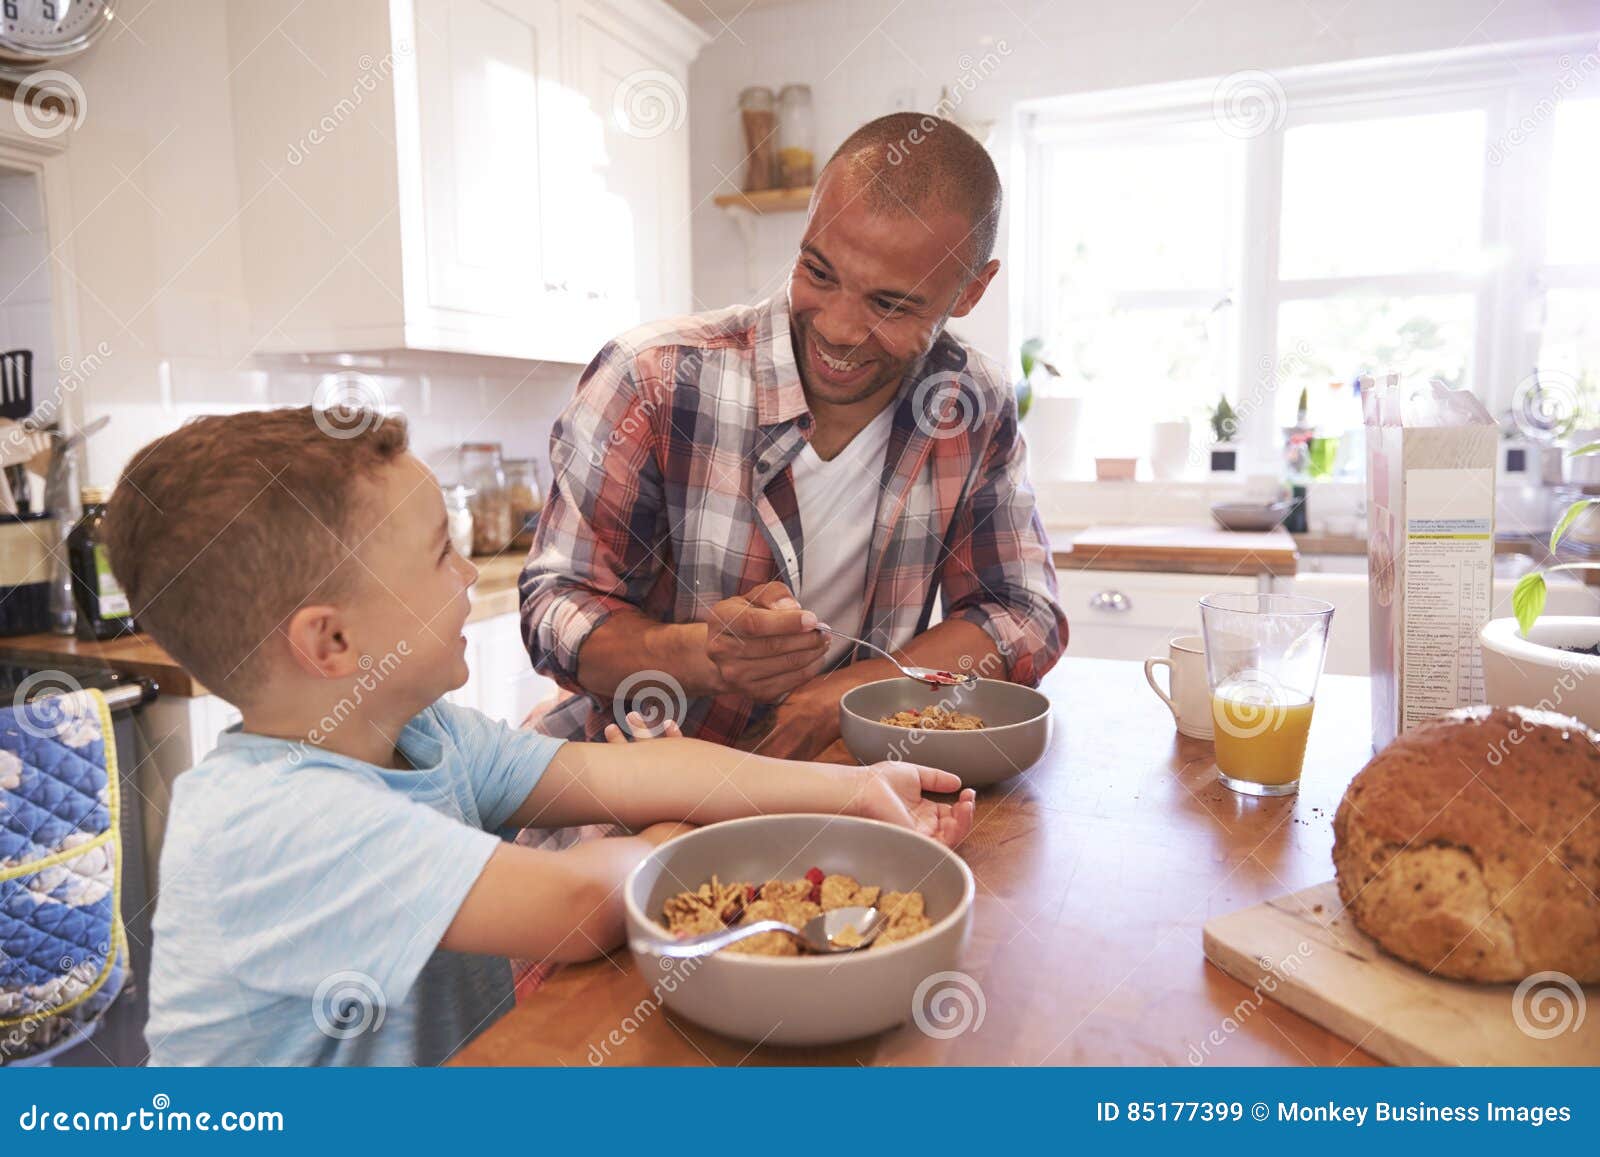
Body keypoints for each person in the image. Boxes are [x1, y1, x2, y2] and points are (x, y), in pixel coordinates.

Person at [105, 406, 975, 1066]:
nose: (471, 575)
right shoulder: (274, 821)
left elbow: (631, 773)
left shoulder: (418, 732)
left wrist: (857, 789)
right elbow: (582, 906)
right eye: (445, 554)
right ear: (333, 643)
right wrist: (662, 835)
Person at [521, 112, 1067, 760]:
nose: (837, 328)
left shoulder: (971, 404)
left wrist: (847, 694)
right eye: (819, 270)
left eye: (890, 304)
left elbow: (1021, 613)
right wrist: (704, 657)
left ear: (971, 290)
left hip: (849, 788)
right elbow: (554, 608)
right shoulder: (650, 379)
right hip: (640, 788)